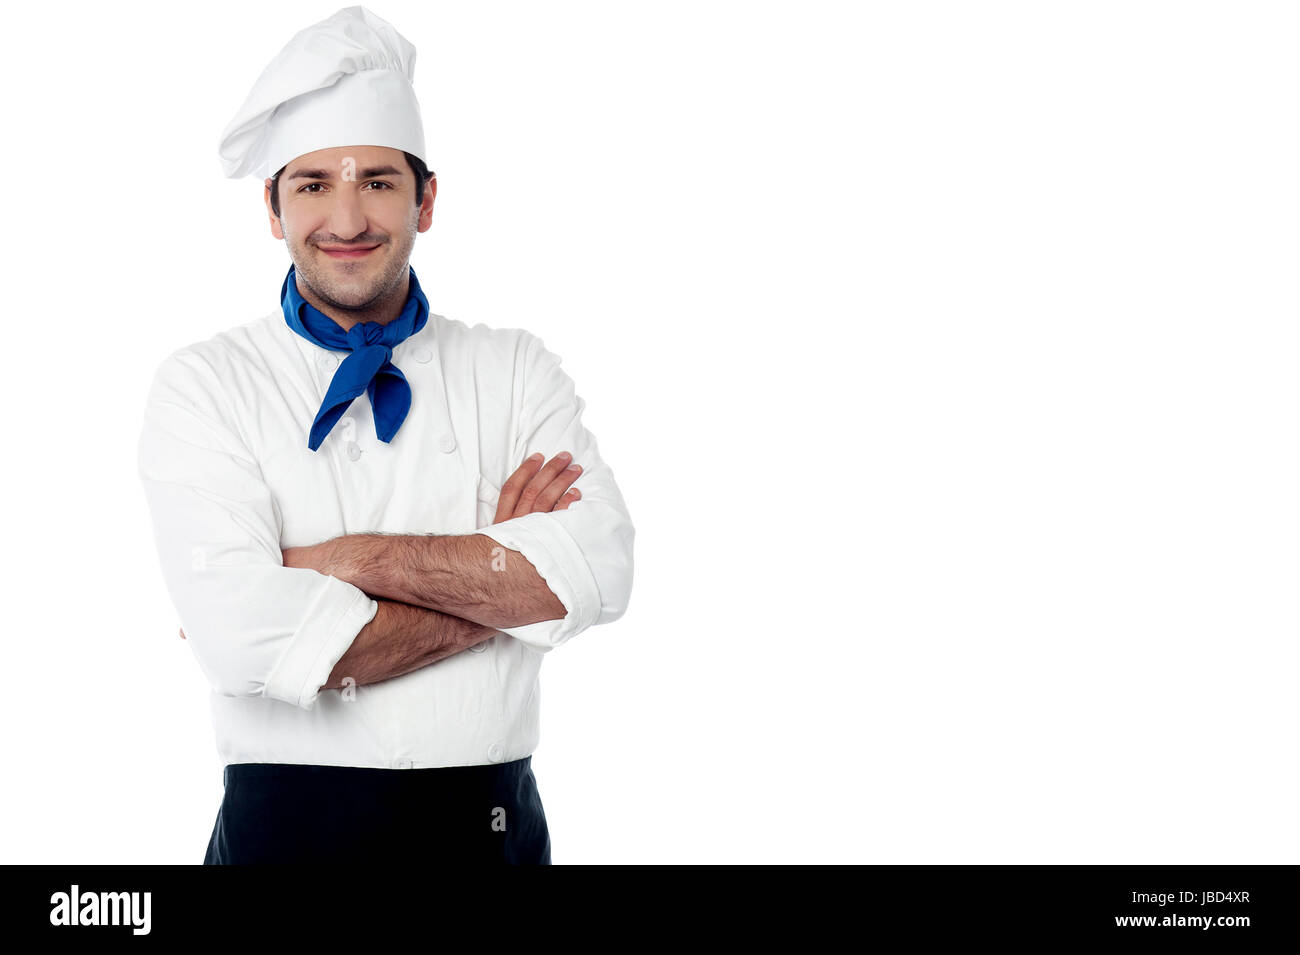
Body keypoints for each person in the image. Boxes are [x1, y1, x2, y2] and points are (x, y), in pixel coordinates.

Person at [136, 6, 635, 865]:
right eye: (313, 184)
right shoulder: (205, 384)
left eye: (376, 180)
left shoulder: (514, 369)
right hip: (284, 834)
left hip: (490, 829)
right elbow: (238, 640)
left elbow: (602, 568)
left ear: (426, 199)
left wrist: (348, 560)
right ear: (272, 207)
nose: (347, 217)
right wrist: (503, 584)